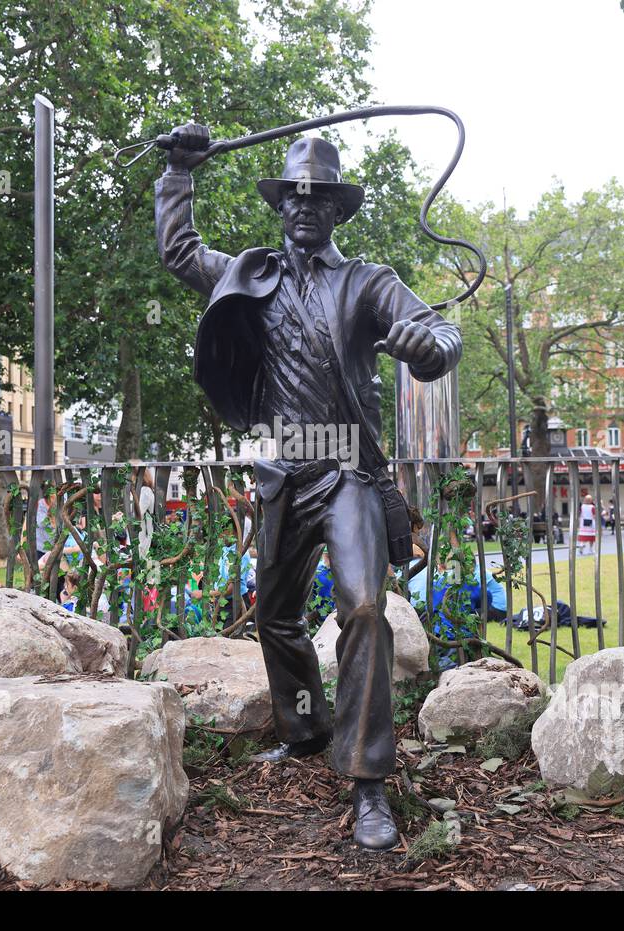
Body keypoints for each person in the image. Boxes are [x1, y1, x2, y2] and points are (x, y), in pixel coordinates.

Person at [156, 123, 462, 849]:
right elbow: (178, 253)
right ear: (280, 206)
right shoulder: (248, 276)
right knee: (278, 617)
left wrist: (429, 349)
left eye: (318, 197)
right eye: (293, 195)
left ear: (336, 210)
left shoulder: (367, 282)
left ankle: (368, 784)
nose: (303, 206)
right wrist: (177, 173)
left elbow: (436, 332)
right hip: (283, 471)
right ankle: (303, 728)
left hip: (347, 470)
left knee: (361, 608)